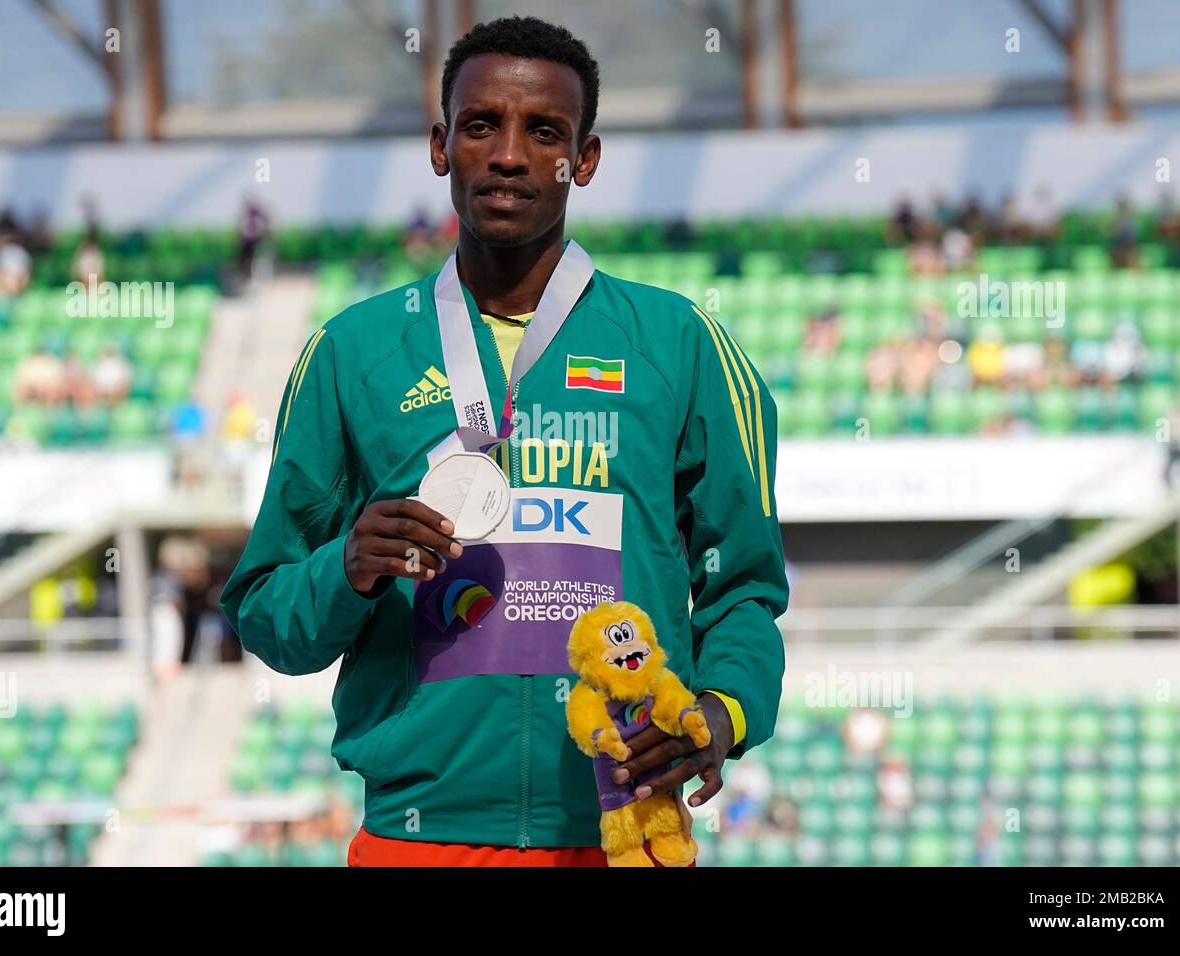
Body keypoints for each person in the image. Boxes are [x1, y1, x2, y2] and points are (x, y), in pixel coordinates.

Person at [221, 15, 788, 868]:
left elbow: (742, 583)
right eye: (482, 125)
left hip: (620, 831)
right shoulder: (352, 352)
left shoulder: (682, 345)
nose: (511, 155)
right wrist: (347, 568)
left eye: (544, 131)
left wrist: (723, 707)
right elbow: (267, 615)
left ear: (583, 159)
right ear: (442, 146)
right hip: (416, 840)